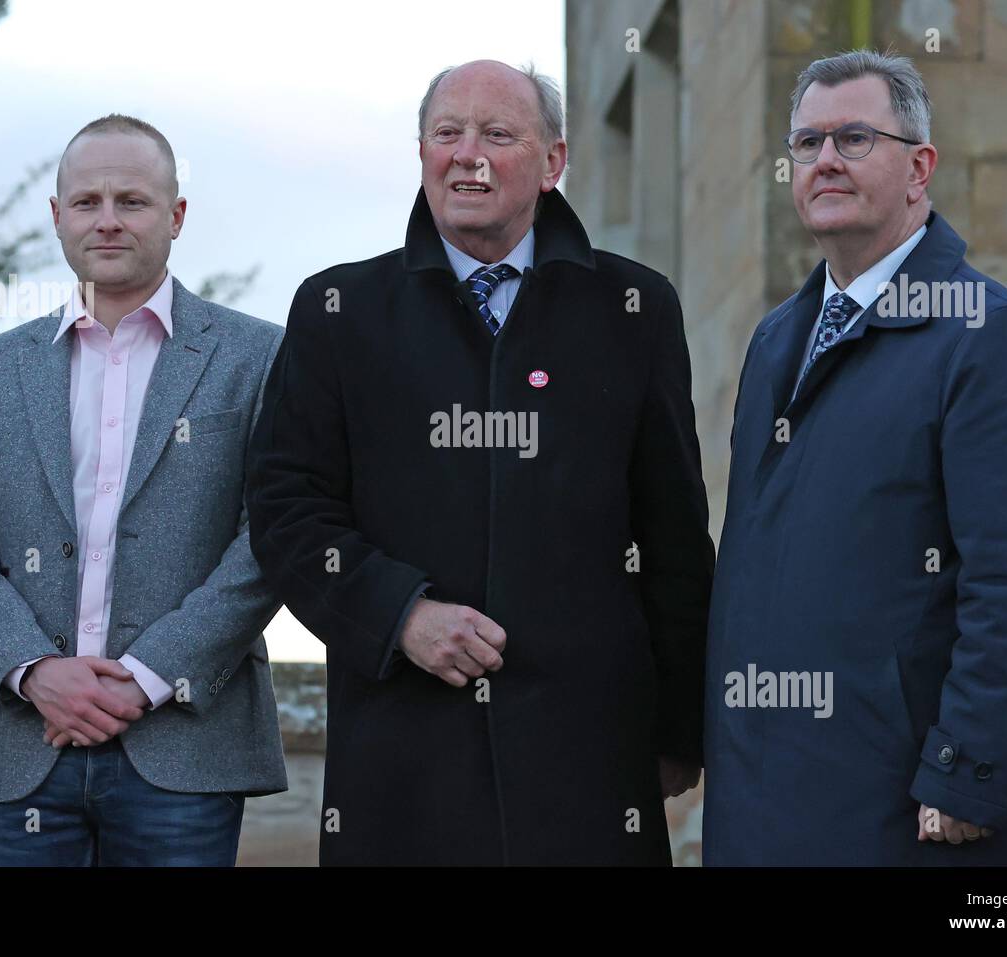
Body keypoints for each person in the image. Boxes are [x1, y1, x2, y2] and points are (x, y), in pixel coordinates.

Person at [247, 60, 714, 865]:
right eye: (447, 134)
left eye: (499, 134)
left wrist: (680, 725)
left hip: (588, 756)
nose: (469, 155)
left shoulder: (635, 309)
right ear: (422, 152)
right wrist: (400, 615)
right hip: (403, 757)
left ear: (553, 162)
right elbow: (287, 511)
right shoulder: (337, 312)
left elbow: (671, 531)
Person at [703, 50, 1007, 865]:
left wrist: (964, 772)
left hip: (908, 812)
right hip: (764, 804)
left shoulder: (990, 335)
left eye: (855, 138)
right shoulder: (774, 342)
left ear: (920, 167)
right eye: (807, 144)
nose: (826, 160)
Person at [0, 114, 286, 866]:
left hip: (184, 746)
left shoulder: (259, 355)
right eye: (87, 202)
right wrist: (33, 669)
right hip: (19, 743)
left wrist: (148, 678)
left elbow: (275, 531)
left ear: (176, 215)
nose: (109, 219)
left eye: (133, 200)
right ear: (57, 217)